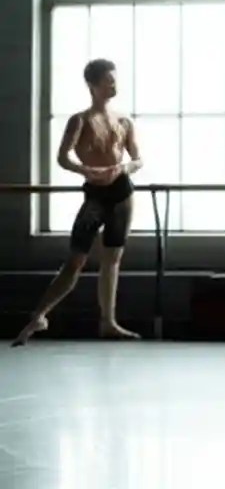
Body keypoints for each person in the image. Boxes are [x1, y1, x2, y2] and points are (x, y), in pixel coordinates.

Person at [13, 59, 144, 346]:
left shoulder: (123, 120)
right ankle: (39, 315)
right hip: (95, 194)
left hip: (122, 192)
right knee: (75, 259)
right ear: (93, 85)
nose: (114, 85)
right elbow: (63, 156)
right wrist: (86, 171)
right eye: (108, 80)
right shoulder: (80, 120)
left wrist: (122, 168)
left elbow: (137, 159)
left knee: (112, 258)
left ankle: (108, 322)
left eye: (115, 79)